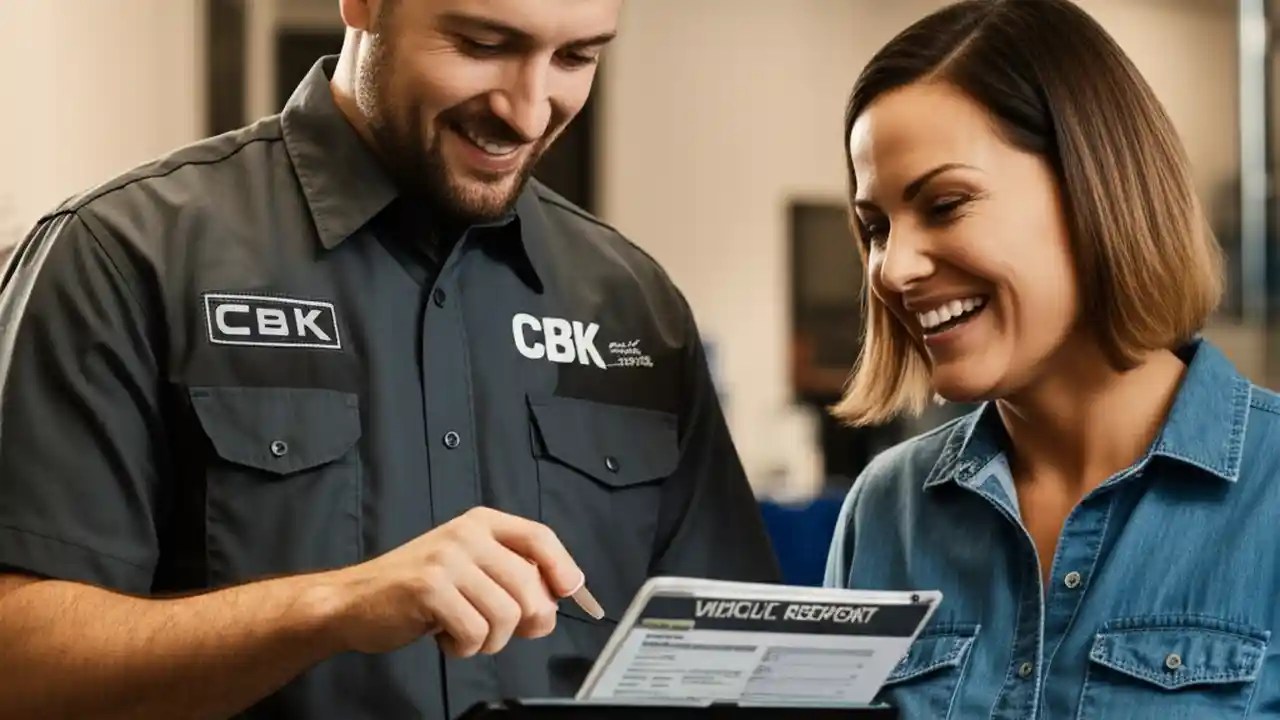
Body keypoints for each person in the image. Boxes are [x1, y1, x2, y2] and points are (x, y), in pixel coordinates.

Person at [0, 0, 780, 718]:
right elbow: (19, 663)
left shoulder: (636, 305)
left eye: (576, 58)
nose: (528, 109)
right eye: (481, 45)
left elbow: (734, 661)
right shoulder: (123, 256)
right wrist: (332, 607)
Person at [823, 0, 1279, 717]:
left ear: (1095, 190)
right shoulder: (885, 511)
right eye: (875, 226)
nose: (893, 269)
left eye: (944, 204)